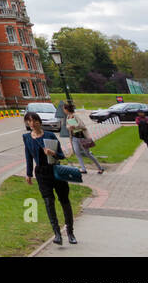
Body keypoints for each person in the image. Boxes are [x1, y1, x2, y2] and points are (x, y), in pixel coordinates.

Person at [24, 112, 75, 246]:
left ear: (39, 122)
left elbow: (62, 155)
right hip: (41, 173)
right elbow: (28, 157)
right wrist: (28, 174)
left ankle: (70, 231)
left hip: (55, 170)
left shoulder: (49, 135)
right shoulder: (26, 138)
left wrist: (53, 153)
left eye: (34, 121)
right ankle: (57, 234)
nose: (32, 124)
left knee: (64, 201)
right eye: (29, 121)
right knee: (48, 202)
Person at [62, 102, 103, 175]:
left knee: (87, 153)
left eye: (64, 109)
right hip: (74, 137)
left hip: (82, 137)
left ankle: (100, 167)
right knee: (77, 153)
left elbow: (82, 125)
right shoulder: (68, 117)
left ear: (67, 109)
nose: (63, 111)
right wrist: (69, 127)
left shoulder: (75, 116)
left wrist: (75, 126)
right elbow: (67, 126)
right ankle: (83, 169)